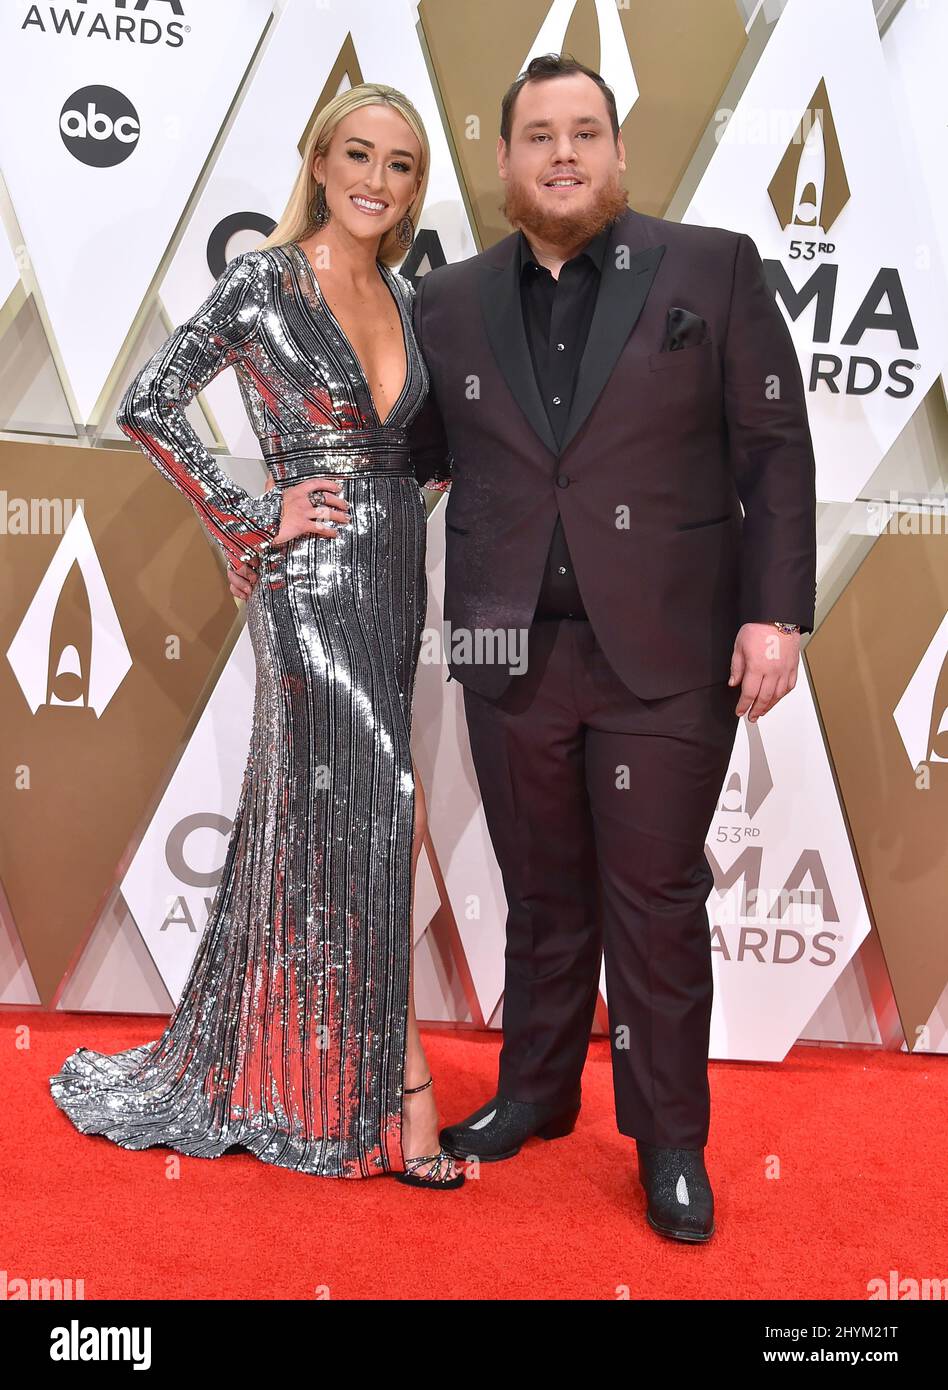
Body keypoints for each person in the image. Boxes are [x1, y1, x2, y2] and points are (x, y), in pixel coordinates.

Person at [231, 53, 818, 1241]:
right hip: (505, 642)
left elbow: (775, 449)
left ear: (615, 150)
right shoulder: (447, 303)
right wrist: (294, 502)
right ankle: (538, 1092)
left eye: (586, 132)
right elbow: (419, 456)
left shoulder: (710, 266)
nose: (564, 153)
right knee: (542, 896)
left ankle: (670, 1144)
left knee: (652, 898)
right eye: (539, 135)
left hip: (664, 650)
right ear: (501, 162)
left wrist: (777, 612)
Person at [49, 84, 463, 1190]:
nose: (378, 180)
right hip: (310, 583)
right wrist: (248, 517)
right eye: (359, 156)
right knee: (385, 804)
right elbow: (151, 399)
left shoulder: (412, 298)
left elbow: (418, 454)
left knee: (349, 823)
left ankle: (312, 1077)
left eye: (403, 165)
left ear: (417, 186)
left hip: (388, 579)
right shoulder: (265, 280)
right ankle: (405, 1094)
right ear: (320, 163)